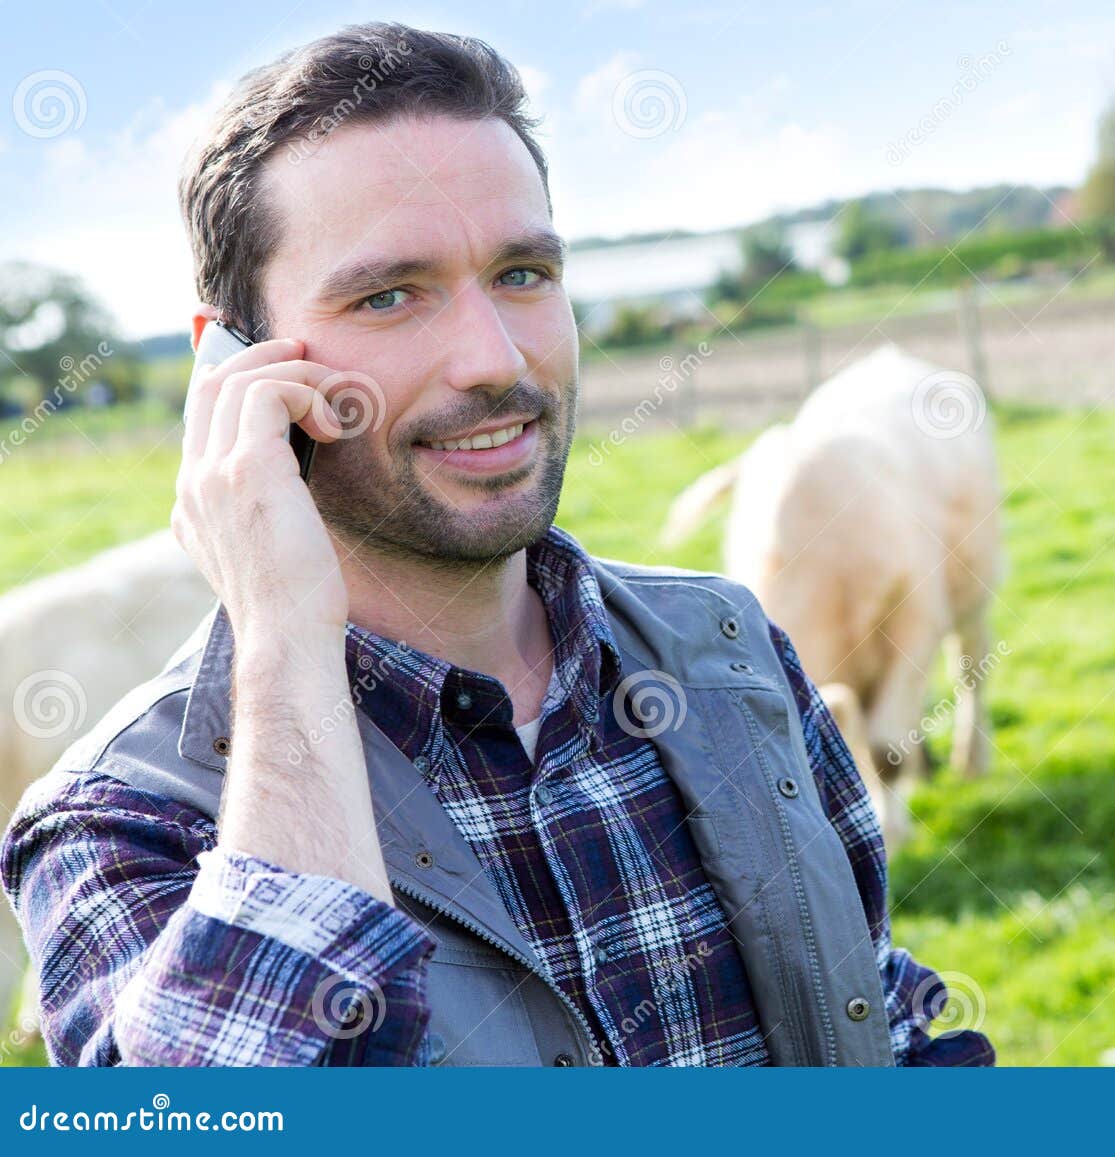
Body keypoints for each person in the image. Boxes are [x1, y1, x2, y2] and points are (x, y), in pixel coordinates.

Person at [0, 21, 995, 1068]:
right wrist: (287, 640)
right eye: (388, 295)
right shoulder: (125, 820)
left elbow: (874, 1025)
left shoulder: (734, 652)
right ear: (232, 370)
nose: (493, 358)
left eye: (522, 273)